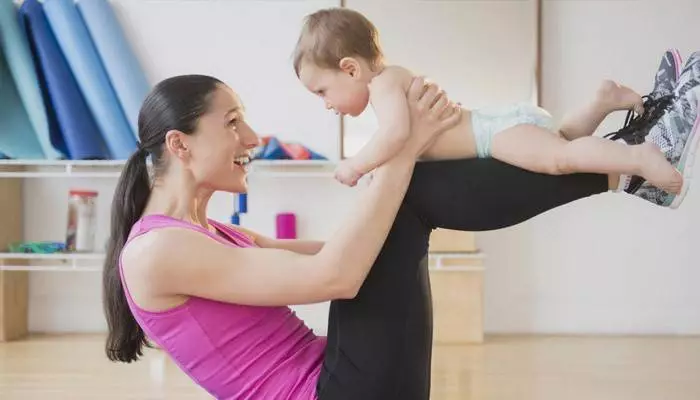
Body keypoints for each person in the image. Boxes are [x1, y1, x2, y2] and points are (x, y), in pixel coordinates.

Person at [103, 49, 697, 400]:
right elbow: (335, 277)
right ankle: (627, 163)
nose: (253, 138)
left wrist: (408, 151)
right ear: (180, 145)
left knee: (401, 195)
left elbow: (334, 252)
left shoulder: (205, 235)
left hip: (346, 378)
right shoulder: (155, 254)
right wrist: (404, 149)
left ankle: (626, 158)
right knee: (405, 186)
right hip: (334, 394)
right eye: (232, 123)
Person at [292, 8, 697, 210]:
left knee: (561, 158)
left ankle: (638, 157)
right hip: (500, 126)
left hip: (492, 136)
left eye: (322, 91)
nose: (326, 104)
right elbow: (403, 146)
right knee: (562, 142)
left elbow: (397, 135)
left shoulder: (383, 85)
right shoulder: (391, 82)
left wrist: (356, 165)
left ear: (350, 68)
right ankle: (601, 102)